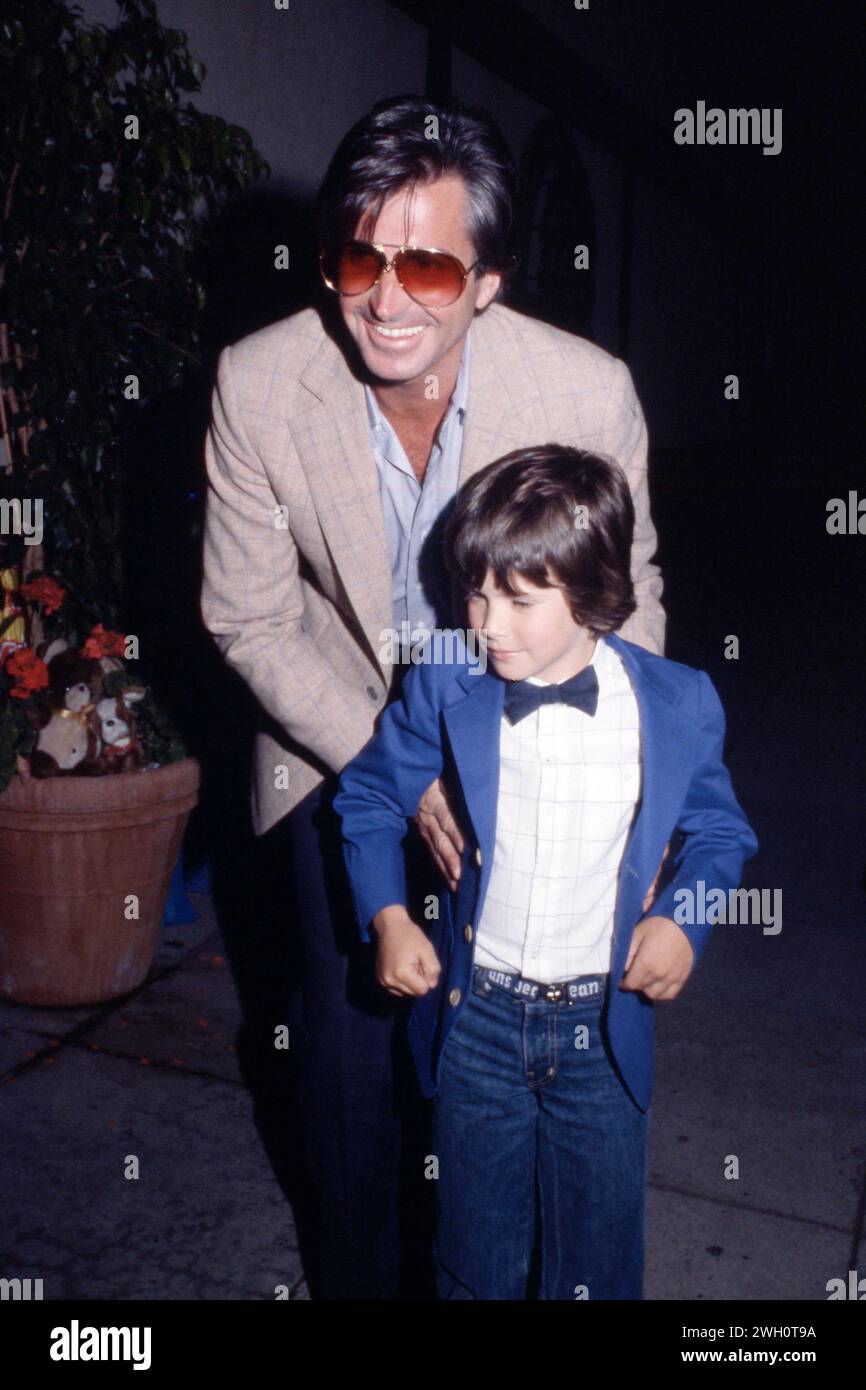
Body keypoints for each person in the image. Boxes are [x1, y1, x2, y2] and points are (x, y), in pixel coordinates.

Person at [200, 94, 665, 1299]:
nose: (386, 299)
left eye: (426, 263)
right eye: (359, 255)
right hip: (338, 737)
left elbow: (629, 600)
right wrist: (397, 776)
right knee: (350, 1071)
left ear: (490, 279)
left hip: (522, 742)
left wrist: (626, 789)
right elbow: (248, 616)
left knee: (519, 1063)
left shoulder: (582, 393)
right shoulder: (259, 386)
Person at [333, 445, 758, 1300]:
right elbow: (369, 797)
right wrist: (388, 916)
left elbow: (722, 832)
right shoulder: (448, 682)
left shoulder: (676, 702)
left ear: (595, 592)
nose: (487, 621)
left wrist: (684, 918)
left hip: (602, 1030)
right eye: (477, 591)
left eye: (520, 600)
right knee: (474, 1261)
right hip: (479, 1022)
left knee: (597, 1269)